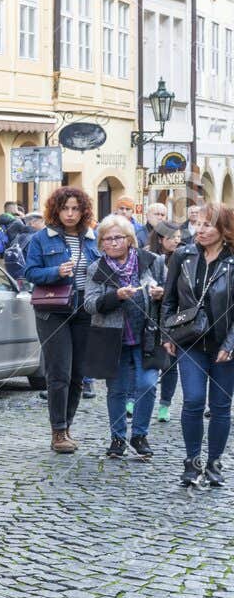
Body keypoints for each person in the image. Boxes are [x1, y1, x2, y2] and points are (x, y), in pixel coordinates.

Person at [161, 201, 234, 488]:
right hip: (190, 341)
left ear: (223, 229)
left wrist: (231, 343)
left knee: (220, 406)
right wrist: (168, 334)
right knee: (192, 400)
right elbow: (168, 301)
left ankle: (214, 463)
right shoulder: (183, 255)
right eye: (197, 224)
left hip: (224, 346)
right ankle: (191, 463)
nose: (200, 230)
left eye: (207, 224)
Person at [22, 186, 99, 454]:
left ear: (83, 211)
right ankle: (57, 431)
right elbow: (29, 272)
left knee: (78, 373)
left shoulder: (92, 238)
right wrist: (55, 270)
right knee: (59, 373)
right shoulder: (42, 239)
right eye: (65, 208)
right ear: (56, 210)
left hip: (84, 310)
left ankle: (67, 426)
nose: (70, 213)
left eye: (75, 208)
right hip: (52, 311)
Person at [83, 215, 165, 460]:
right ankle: (117, 438)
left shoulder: (151, 262)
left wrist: (160, 293)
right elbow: (89, 305)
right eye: (106, 239)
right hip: (112, 339)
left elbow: (168, 293)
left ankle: (139, 435)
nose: (112, 243)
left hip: (147, 337)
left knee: (147, 385)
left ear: (130, 240)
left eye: (117, 237)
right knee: (116, 391)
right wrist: (115, 296)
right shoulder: (96, 269)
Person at [148, 220, 185, 423]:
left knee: (171, 362)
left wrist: (168, 293)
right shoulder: (148, 255)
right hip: (151, 314)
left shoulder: (183, 256)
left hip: (174, 316)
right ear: (161, 239)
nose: (177, 241)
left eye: (179, 237)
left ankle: (165, 404)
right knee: (149, 359)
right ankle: (134, 398)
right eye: (173, 237)